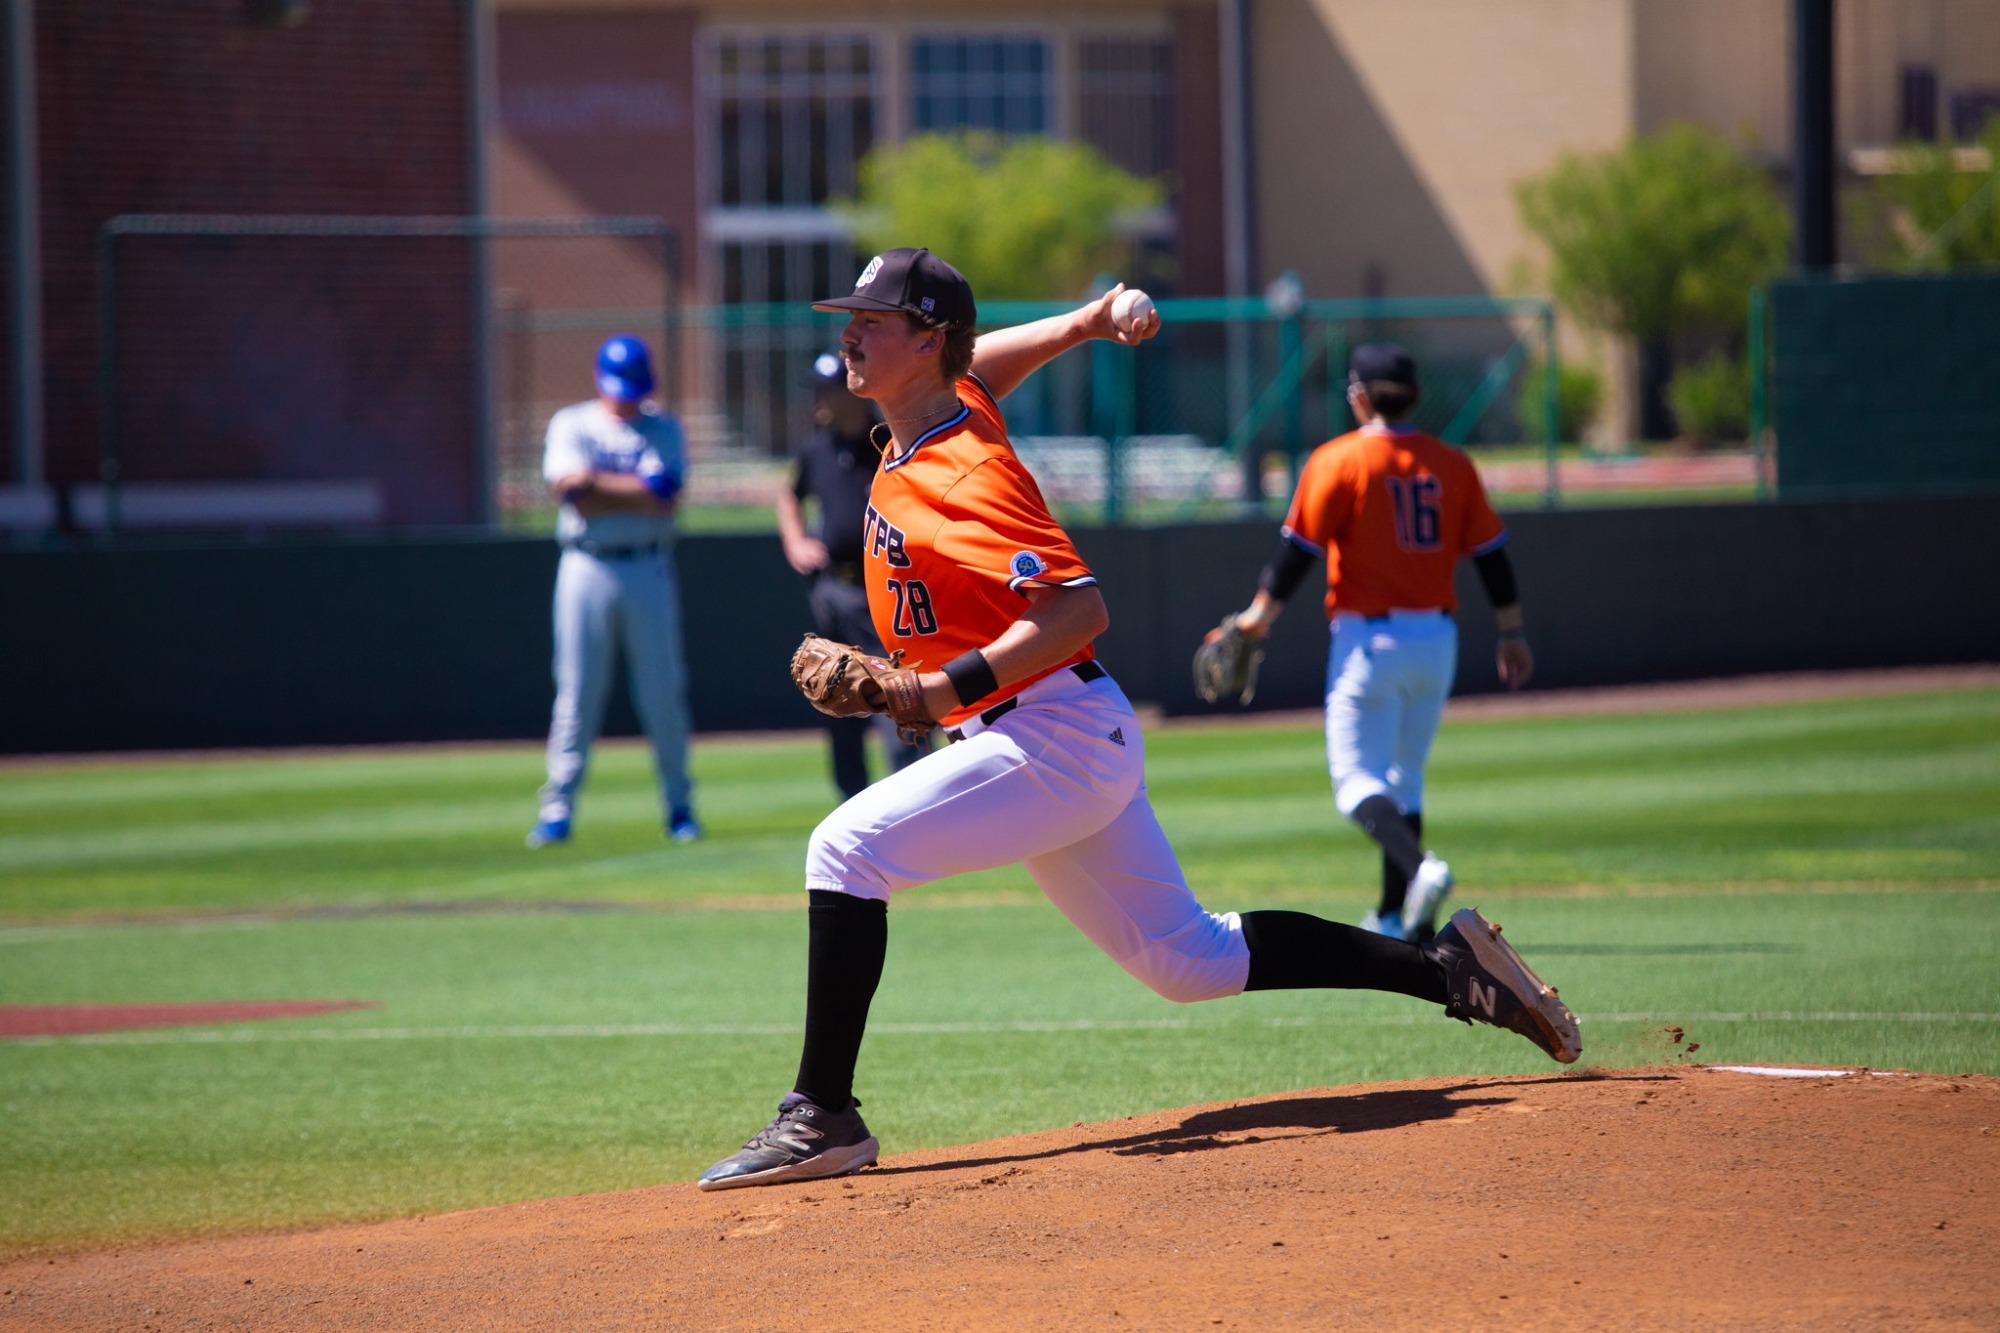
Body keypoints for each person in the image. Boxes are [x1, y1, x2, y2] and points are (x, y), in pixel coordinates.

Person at [697, 249, 1577, 1192]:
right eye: (851, 317)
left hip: (1050, 737)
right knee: (1187, 959)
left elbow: (1079, 609)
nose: (849, 334)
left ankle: (822, 1114)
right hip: (1053, 732)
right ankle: (1448, 968)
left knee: (844, 849)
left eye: (872, 320)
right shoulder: (947, 407)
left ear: (926, 342)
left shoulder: (966, 470)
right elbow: (986, 357)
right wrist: (1087, 320)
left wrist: (934, 691)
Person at [1209, 342, 1533, 943]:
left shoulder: (1340, 459)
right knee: (1405, 781)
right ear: (1414, 398)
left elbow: (1297, 554)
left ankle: (1422, 870)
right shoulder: (1452, 463)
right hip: (1437, 637)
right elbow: (1492, 557)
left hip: (1370, 640)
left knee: (1355, 782)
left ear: (1359, 397)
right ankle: (1398, 917)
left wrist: (1258, 616)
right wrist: (1511, 630)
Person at [528, 335, 700, 848]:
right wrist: (636, 489)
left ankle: (680, 807)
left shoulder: (663, 427)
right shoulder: (573, 423)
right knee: (577, 693)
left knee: (663, 693)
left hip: (648, 563)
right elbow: (572, 493)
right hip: (587, 563)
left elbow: (666, 496)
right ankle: (557, 809)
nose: (625, 398)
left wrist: (600, 485)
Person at [776, 351, 932, 800]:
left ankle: (918, 796)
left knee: (901, 698)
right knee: (835, 695)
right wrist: (796, 542)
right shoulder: (817, 448)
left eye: (827, 390)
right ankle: (853, 802)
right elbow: (789, 495)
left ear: (851, 392)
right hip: (833, 590)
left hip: (884, 594)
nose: (818, 400)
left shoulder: (887, 441)